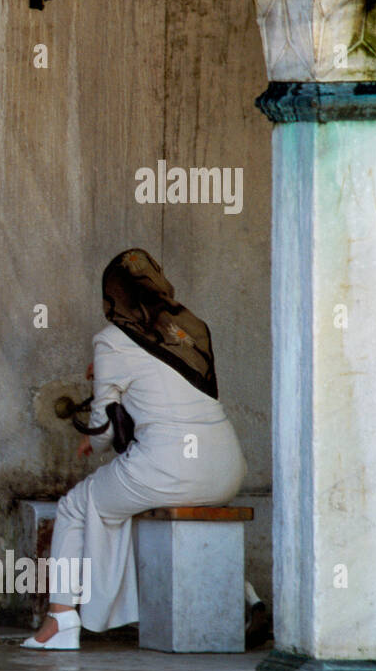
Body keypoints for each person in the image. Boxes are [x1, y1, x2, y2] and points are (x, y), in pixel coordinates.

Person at [23, 248, 246, 649]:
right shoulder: (193, 330)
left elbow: (104, 429)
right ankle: (244, 597)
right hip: (228, 468)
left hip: (169, 469)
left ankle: (60, 620)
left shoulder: (112, 339)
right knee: (136, 506)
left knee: (76, 505)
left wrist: (89, 444)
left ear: (113, 296)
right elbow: (169, 389)